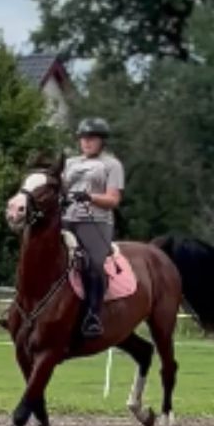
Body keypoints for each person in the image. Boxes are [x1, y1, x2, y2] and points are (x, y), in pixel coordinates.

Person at [64, 117, 124, 338]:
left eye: (92, 138)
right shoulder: (70, 163)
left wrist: (90, 197)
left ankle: (93, 315)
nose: (86, 142)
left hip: (95, 221)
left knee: (94, 263)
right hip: (66, 218)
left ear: (102, 141)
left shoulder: (111, 165)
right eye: (83, 138)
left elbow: (113, 199)